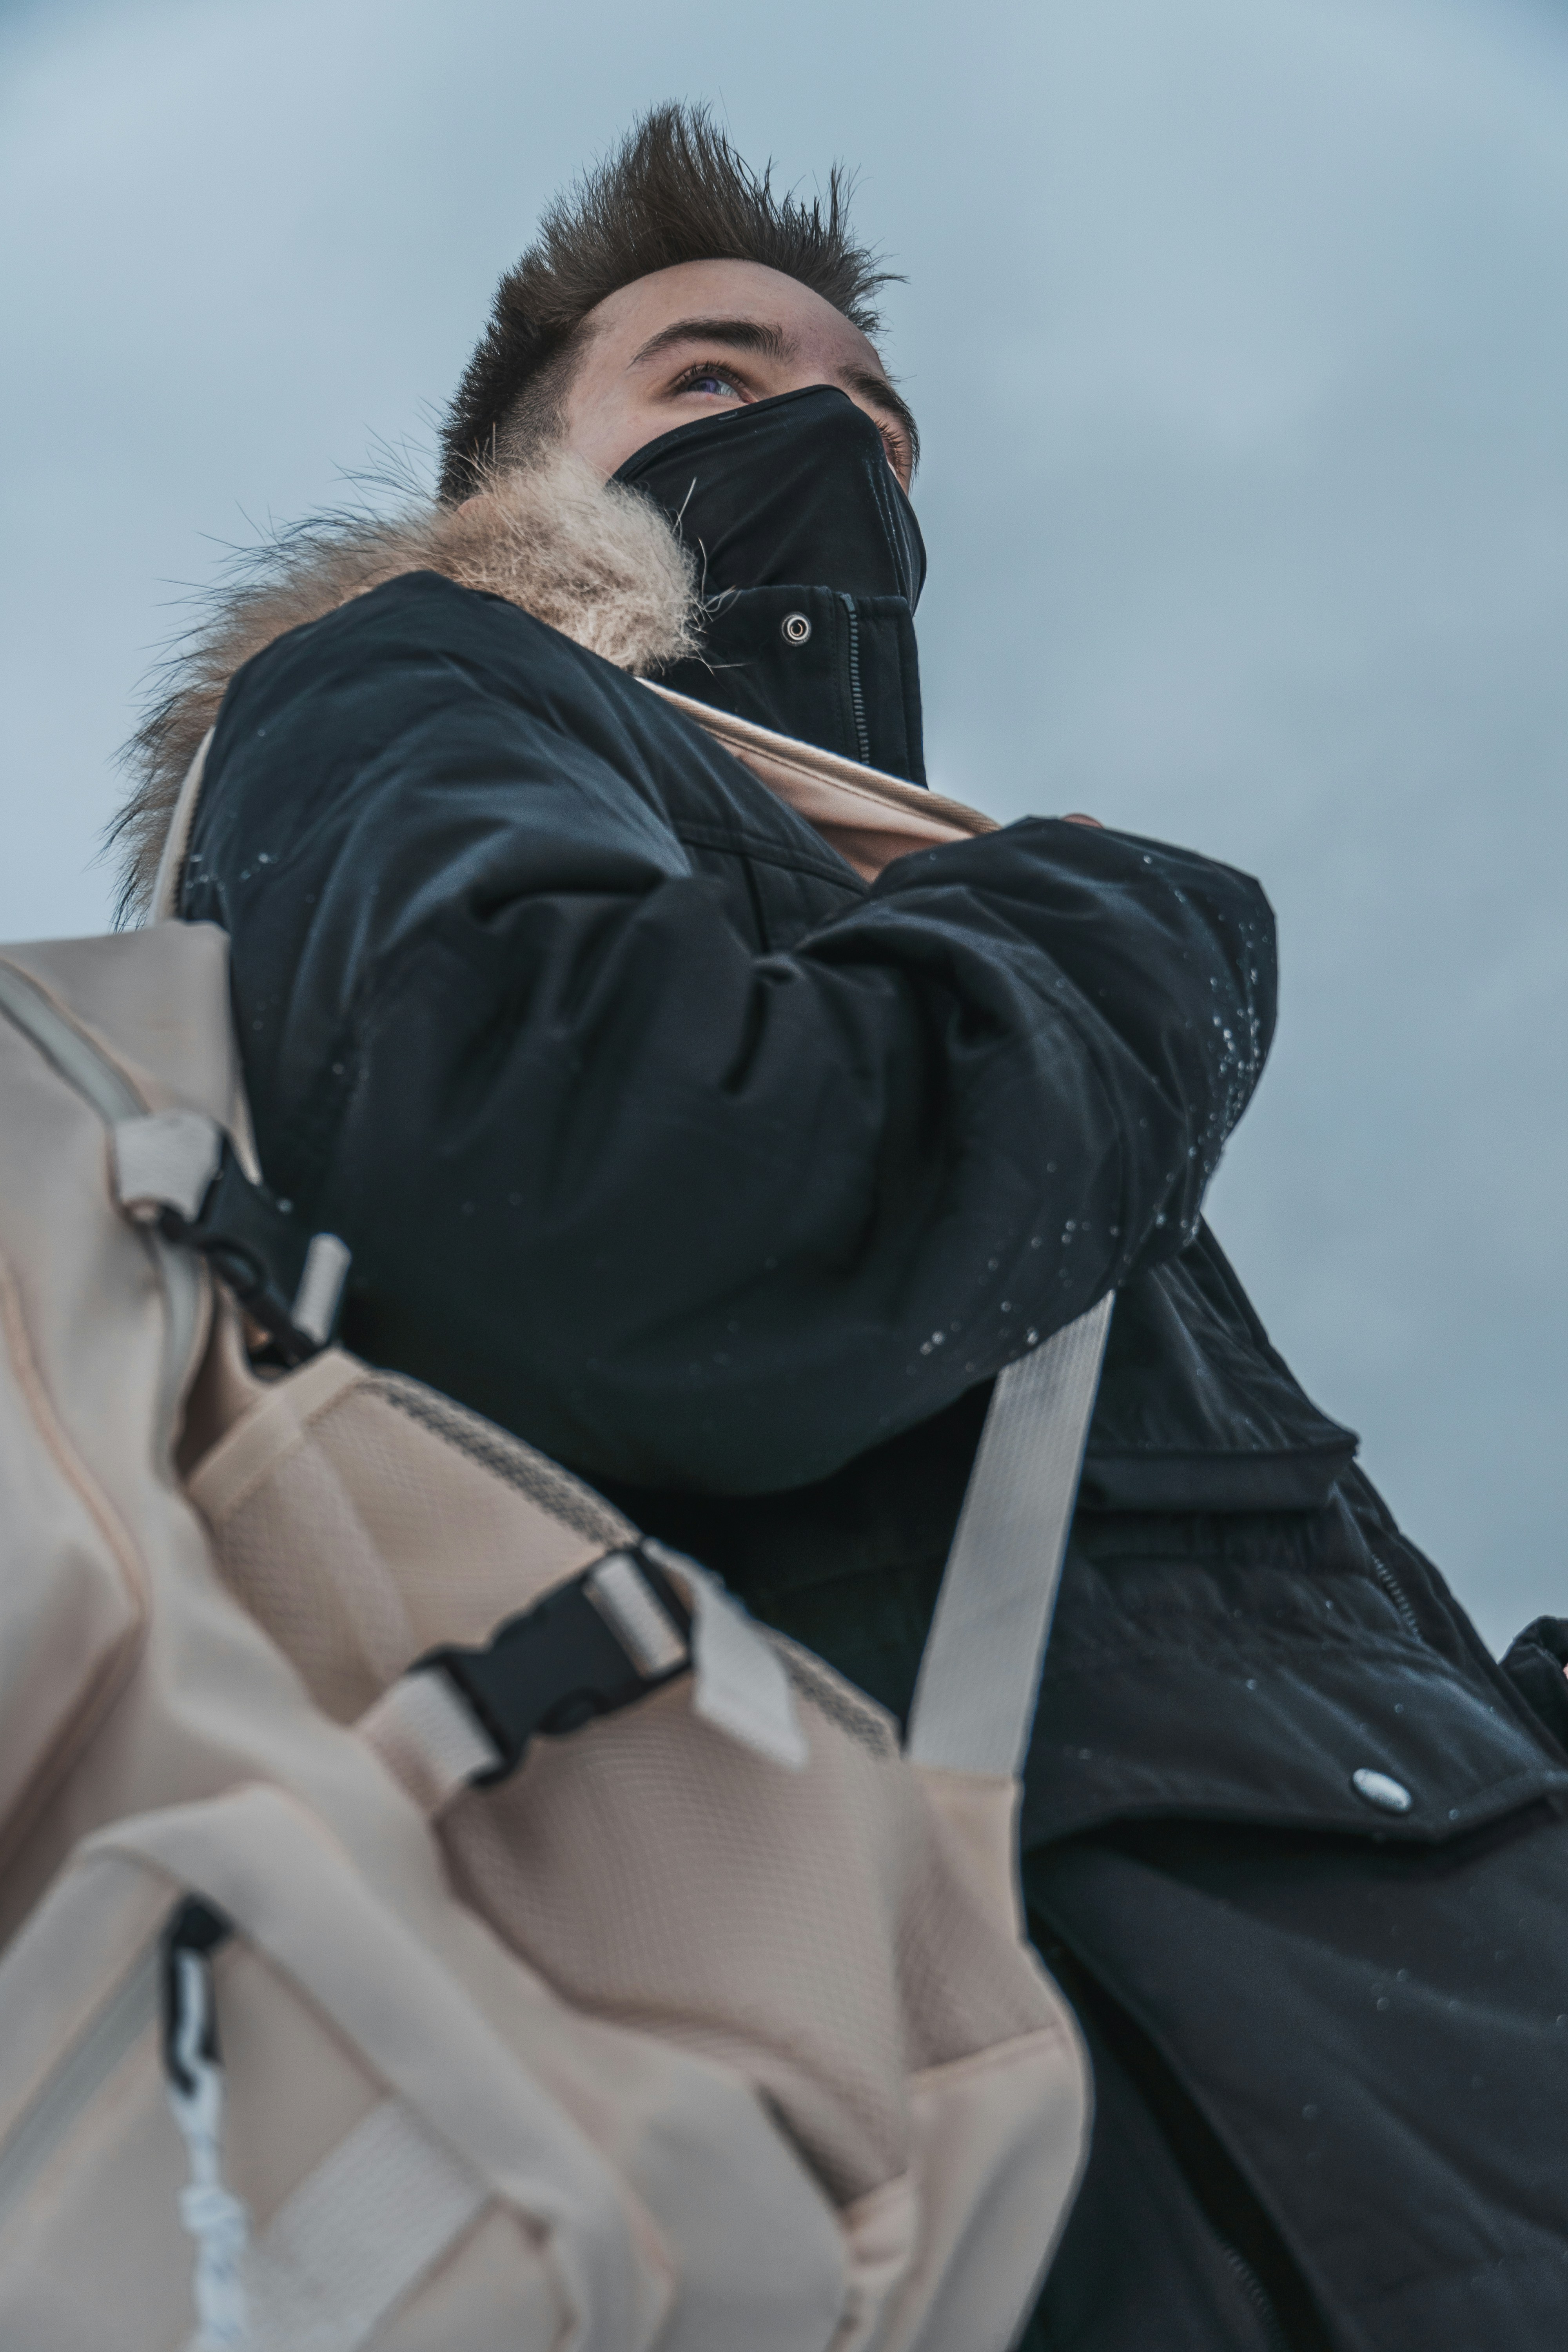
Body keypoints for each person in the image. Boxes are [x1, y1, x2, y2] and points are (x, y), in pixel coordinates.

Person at [115, 103, 1568, 2350]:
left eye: (870, 417)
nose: (817, 434)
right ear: (521, 478)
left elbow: (1189, 1609)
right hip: (1070, 2147)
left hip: (1396, 2103)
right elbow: (636, 1208)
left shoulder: (898, 900)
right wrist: (1132, 919)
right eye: (710, 380)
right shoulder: (424, 684)